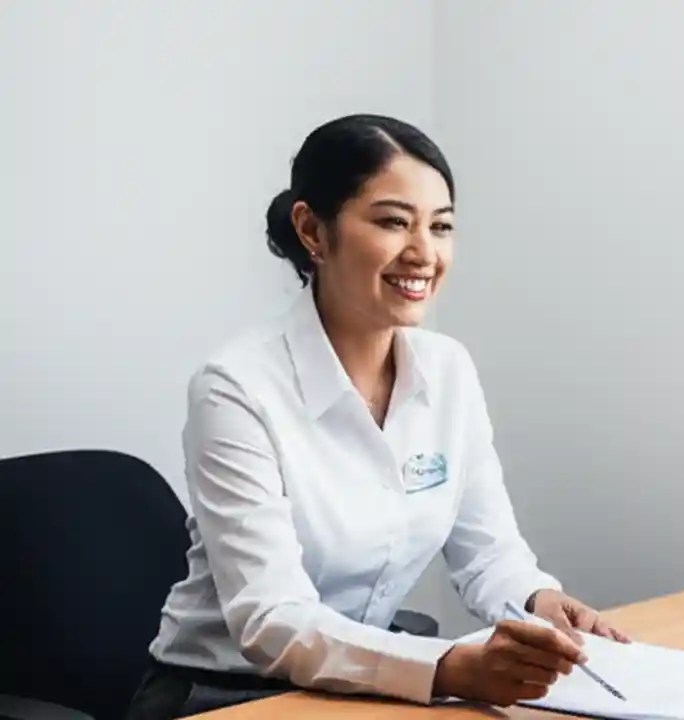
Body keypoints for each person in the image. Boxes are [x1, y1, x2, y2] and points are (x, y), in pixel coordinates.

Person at [126, 114, 628, 719]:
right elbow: (271, 619)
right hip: (225, 692)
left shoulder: (448, 370)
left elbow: (487, 553)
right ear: (313, 229)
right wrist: (448, 669)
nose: (423, 253)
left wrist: (540, 601)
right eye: (393, 222)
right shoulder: (236, 388)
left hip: (360, 677)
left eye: (440, 227)